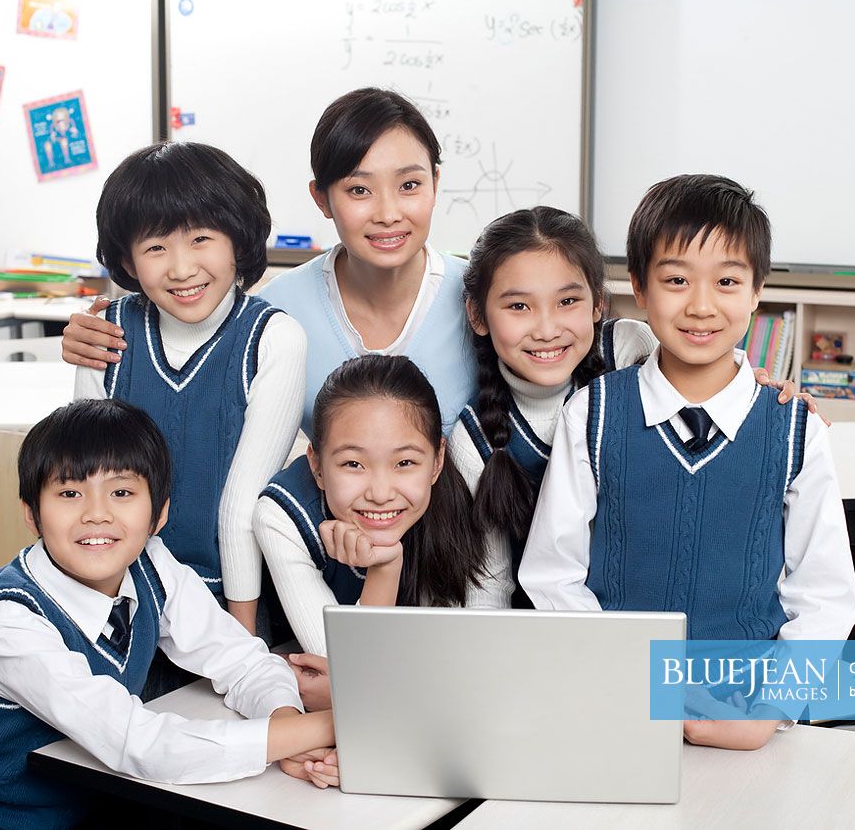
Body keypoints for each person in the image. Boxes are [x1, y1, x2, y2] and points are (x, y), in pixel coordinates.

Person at [0, 400, 336, 830]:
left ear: (159, 514)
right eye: (70, 493)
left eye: (121, 491)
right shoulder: (9, 621)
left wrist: (287, 724)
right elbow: (139, 745)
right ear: (32, 514)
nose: (97, 514)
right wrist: (331, 726)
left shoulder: (151, 563)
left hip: (72, 809)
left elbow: (242, 660)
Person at [520, 175, 855, 751]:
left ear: (756, 292)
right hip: (616, 709)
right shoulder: (594, 414)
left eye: (727, 281)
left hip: (746, 712)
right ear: (641, 289)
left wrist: (769, 711)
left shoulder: (795, 429)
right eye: (676, 280)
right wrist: (618, 683)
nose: (701, 305)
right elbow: (553, 574)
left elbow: (824, 596)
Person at [451, 205, 814, 608]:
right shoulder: (475, 440)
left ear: (597, 304)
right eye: (519, 306)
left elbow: (696, 367)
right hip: (553, 620)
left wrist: (763, 397)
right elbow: (489, 588)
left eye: (568, 300)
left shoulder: (626, 349)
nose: (547, 329)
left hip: (650, 598)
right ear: (477, 314)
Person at [61, 88, 476, 435]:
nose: (388, 212)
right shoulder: (279, 310)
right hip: (321, 530)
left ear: (436, 183)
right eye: (359, 190)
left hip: (463, 528)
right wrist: (97, 330)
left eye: (409, 185)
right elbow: (188, 331)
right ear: (322, 199)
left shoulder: (481, 296)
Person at [77, 141, 306, 636]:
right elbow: (87, 490)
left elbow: (243, 503)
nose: (181, 269)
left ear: (237, 242)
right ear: (128, 259)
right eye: (156, 247)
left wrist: (239, 644)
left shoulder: (273, 339)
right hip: (120, 601)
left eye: (201, 239)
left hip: (229, 600)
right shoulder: (106, 336)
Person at [256, 355, 509, 709]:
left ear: (437, 461)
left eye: (405, 463)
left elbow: (478, 648)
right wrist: (385, 568)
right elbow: (353, 666)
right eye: (353, 464)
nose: (380, 493)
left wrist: (354, 688)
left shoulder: (464, 492)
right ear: (316, 465)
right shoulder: (282, 515)